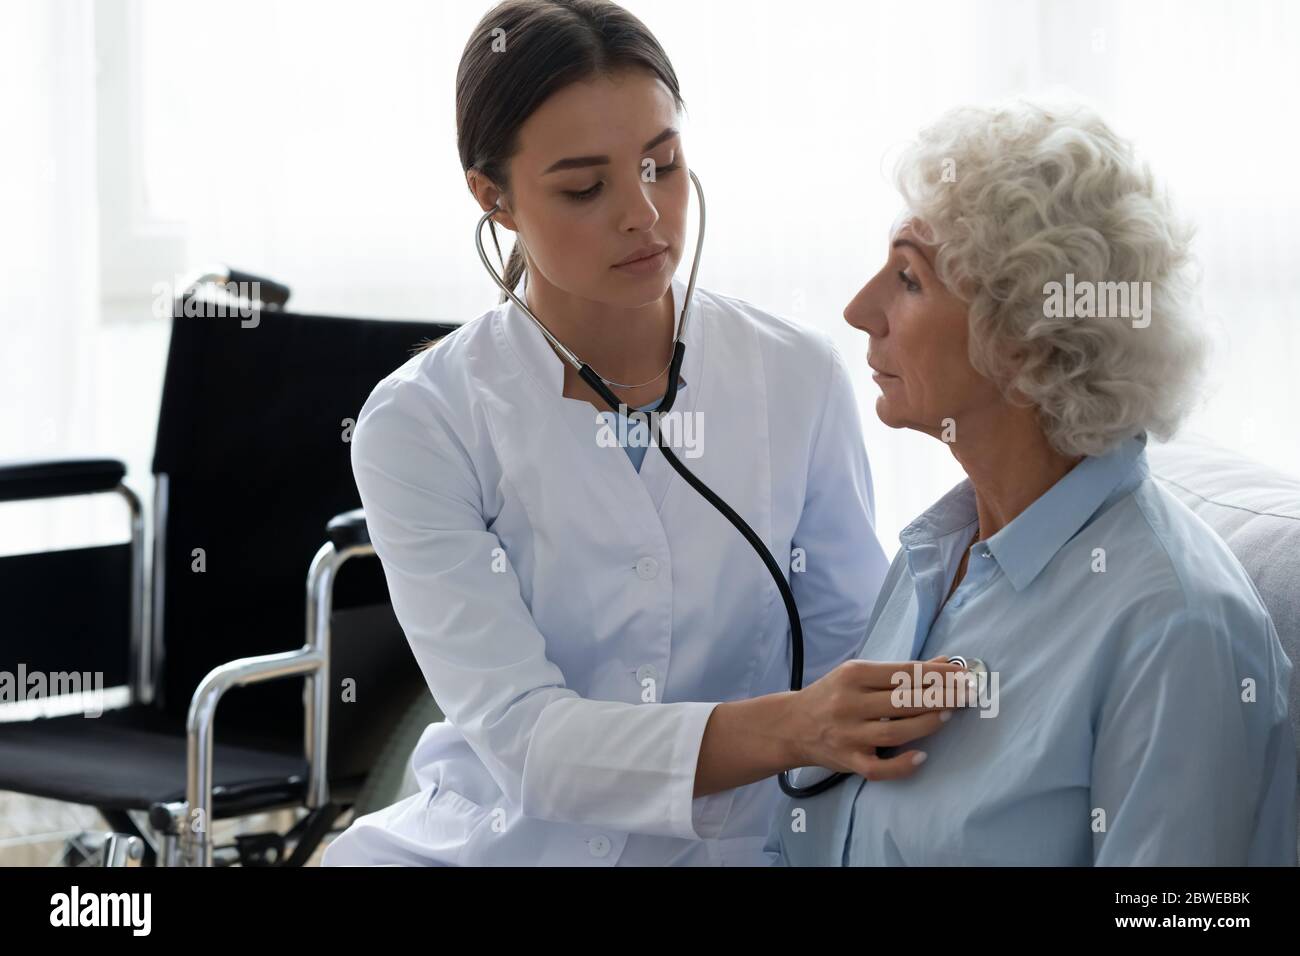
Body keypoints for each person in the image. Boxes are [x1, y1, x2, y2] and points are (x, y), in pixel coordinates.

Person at [322, 0, 962, 867]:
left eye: (661, 164)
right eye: (585, 187)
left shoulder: (796, 378)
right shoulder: (419, 423)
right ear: (494, 197)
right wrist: (794, 726)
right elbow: (524, 739)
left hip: (739, 842)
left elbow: (849, 650)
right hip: (499, 842)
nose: (643, 214)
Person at [772, 99, 1296, 866]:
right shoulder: (935, 555)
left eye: (909, 279)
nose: (859, 311)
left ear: (1027, 342)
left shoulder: (1175, 626)